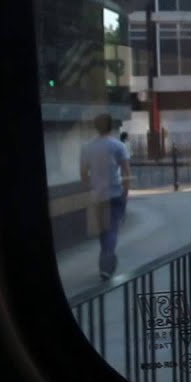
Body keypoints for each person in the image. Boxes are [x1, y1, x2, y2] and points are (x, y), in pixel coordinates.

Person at [81, 113, 131, 280]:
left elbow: (83, 175)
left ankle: (106, 260)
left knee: (103, 230)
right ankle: (106, 264)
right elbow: (126, 172)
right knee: (112, 230)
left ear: (96, 127)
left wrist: (93, 187)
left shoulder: (87, 148)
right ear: (110, 126)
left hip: (98, 196)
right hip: (115, 193)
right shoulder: (118, 146)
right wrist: (125, 193)